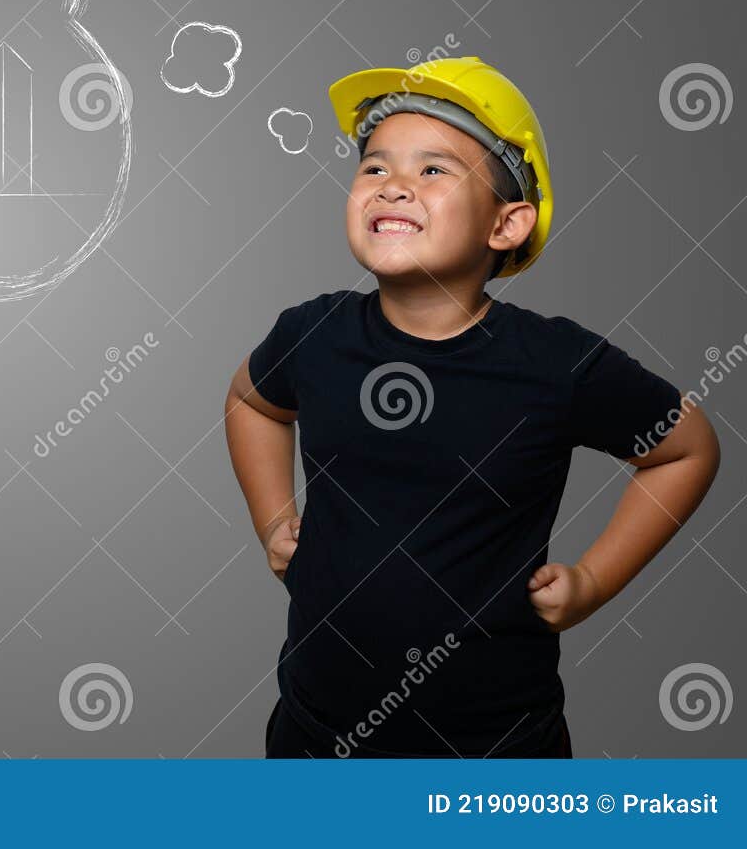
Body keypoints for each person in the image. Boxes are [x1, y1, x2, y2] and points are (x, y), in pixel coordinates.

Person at [226, 57, 720, 758]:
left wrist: (593, 581)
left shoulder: (555, 363)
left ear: (507, 223)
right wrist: (274, 518)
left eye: (433, 169)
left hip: (496, 748)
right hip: (315, 737)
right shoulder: (313, 334)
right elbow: (251, 402)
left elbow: (687, 448)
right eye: (374, 166)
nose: (393, 184)